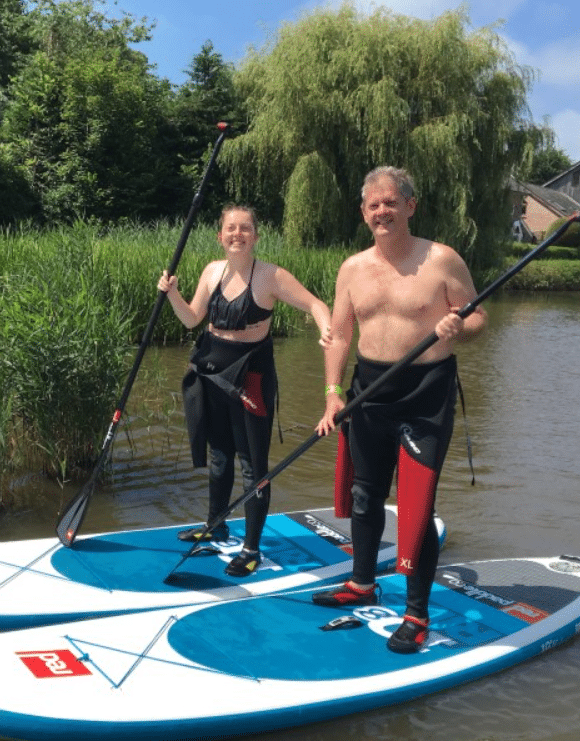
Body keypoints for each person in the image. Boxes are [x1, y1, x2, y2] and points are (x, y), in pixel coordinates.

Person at [313, 166, 487, 653]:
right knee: (366, 495)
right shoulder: (352, 268)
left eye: (391, 202)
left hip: (425, 394)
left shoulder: (441, 260)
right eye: (373, 205)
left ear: (411, 205)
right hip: (369, 389)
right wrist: (332, 391)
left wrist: (462, 328)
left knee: (416, 506)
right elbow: (341, 333)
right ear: (364, 213)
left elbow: (479, 317)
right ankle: (362, 583)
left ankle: (416, 613)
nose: (382, 211)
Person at [158, 204, 332, 577]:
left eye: (245, 228)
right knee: (219, 456)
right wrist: (171, 293)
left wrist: (325, 329)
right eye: (230, 228)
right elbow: (192, 319)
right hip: (211, 371)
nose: (237, 234)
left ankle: (251, 548)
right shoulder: (211, 271)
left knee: (253, 464)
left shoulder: (271, 276)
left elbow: (317, 304)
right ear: (220, 235)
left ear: (256, 235)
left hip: (250, 377)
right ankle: (215, 525)